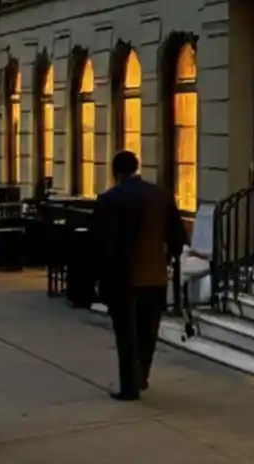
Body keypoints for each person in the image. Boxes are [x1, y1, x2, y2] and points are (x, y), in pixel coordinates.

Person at [92, 150, 185, 400]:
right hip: (154, 276)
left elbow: (97, 242)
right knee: (148, 330)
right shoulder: (161, 196)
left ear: (117, 173)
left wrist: (97, 276)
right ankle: (142, 373)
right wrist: (168, 258)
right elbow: (177, 237)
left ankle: (130, 384)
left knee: (126, 333)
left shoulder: (109, 200)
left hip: (121, 277)